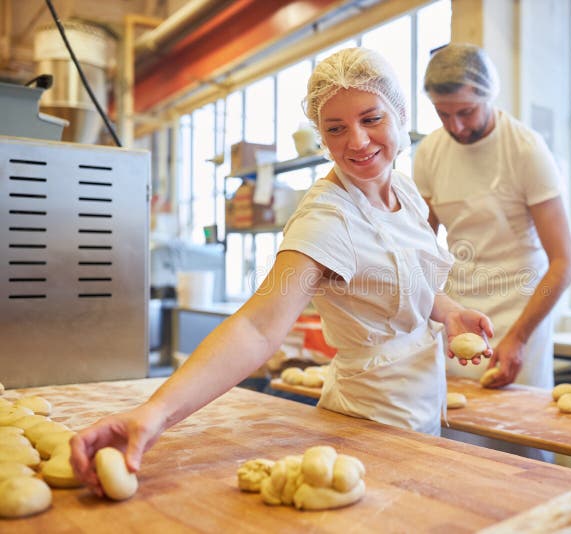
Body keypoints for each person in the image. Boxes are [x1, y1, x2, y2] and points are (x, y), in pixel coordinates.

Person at [70, 48, 494, 495]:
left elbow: (407, 282)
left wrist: (447, 313)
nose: (357, 141)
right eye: (336, 128)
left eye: (371, 119)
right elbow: (256, 327)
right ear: (321, 137)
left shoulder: (404, 192)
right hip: (367, 430)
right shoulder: (327, 220)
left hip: (422, 417)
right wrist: (154, 413)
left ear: (399, 114)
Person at [414, 43, 571, 389]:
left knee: (517, 431)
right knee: (457, 429)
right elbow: (420, 247)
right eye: (443, 114)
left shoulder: (525, 150)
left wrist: (519, 337)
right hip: (459, 312)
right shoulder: (429, 152)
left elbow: (564, 262)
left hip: (520, 312)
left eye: (466, 112)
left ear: (489, 96)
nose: (455, 126)